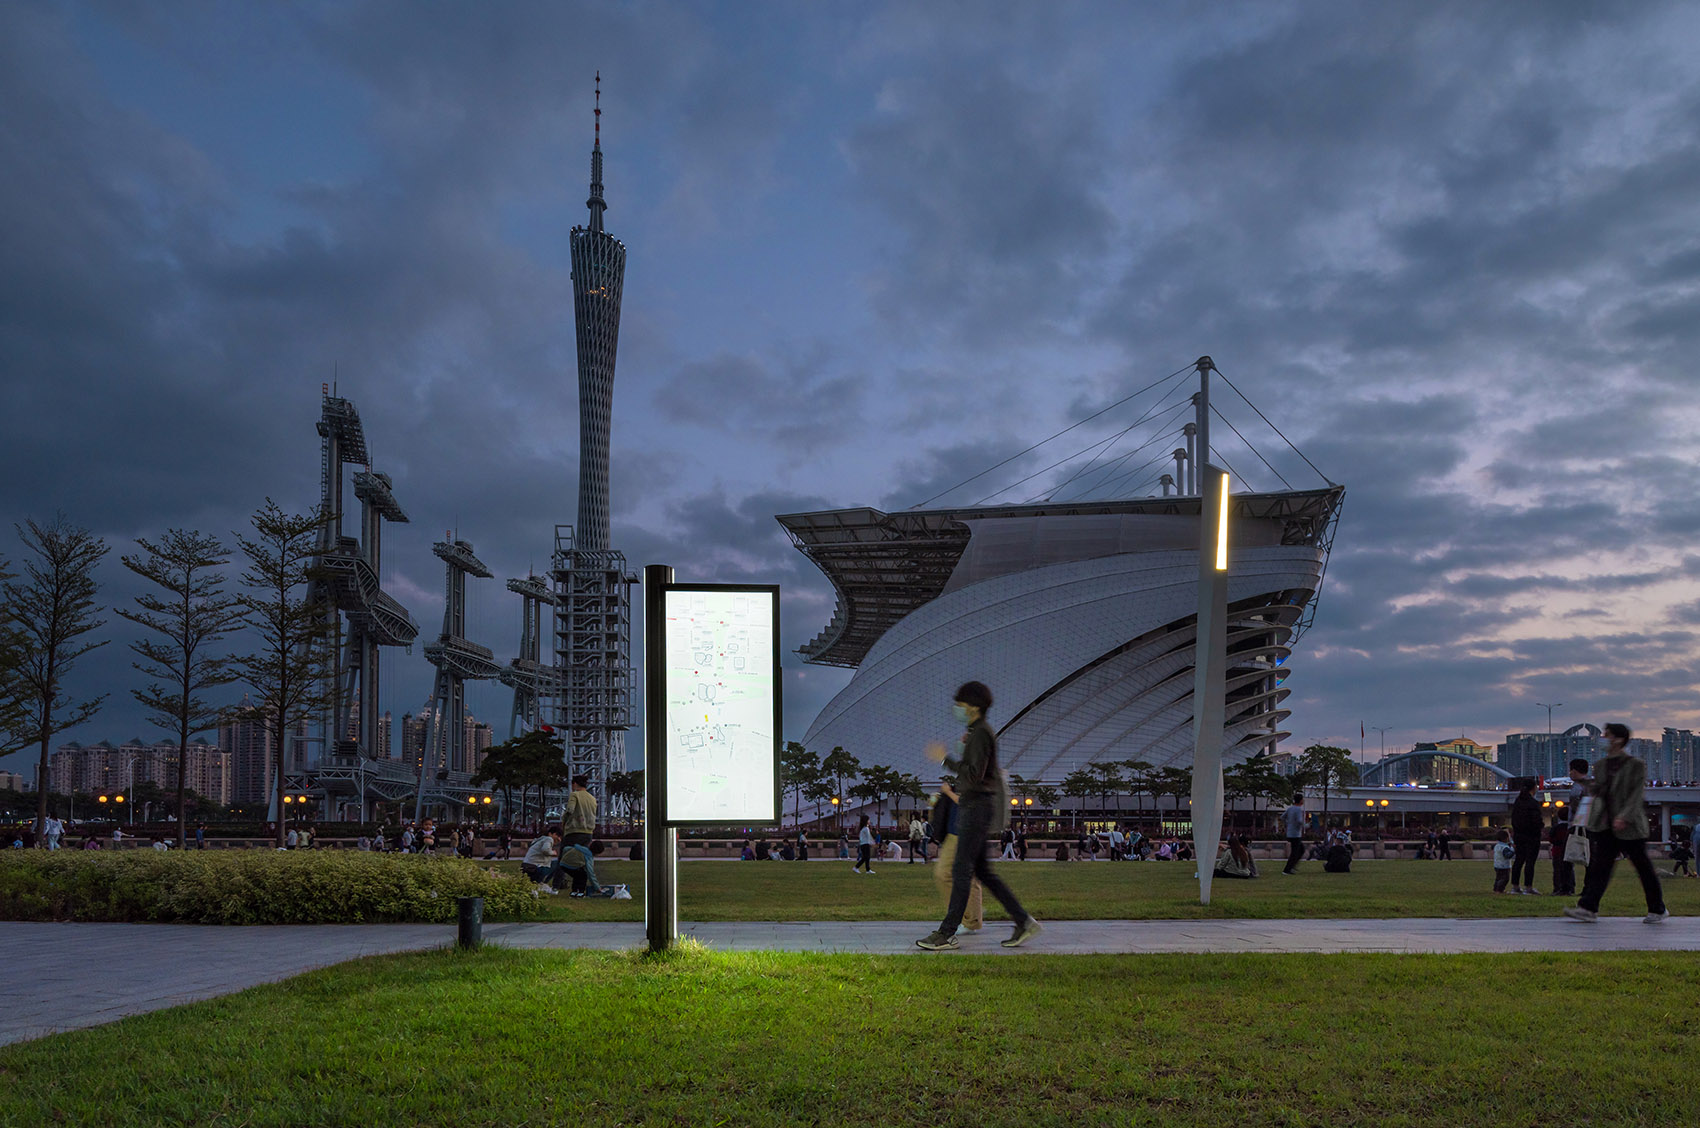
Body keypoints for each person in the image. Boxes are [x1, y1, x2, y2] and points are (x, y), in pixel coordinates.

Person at [916, 681, 1040, 950]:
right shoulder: (976, 732)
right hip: (976, 807)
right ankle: (1023, 921)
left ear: (973, 706)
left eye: (960, 703)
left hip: (975, 808)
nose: (957, 708)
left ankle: (946, 933)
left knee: (961, 871)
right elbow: (976, 768)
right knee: (983, 872)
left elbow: (973, 775)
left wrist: (945, 759)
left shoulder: (982, 732)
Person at [1566, 723, 1669, 924]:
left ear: (1620, 739)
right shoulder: (1602, 765)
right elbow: (1600, 789)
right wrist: (1583, 780)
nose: (1604, 738)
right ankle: (1587, 908)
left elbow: (1635, 794)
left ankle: (1658, 909)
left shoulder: (1635, 765)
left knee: (1643, 868)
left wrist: (1624, 817)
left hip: (1629, 826)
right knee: (1600, 868)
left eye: (1608, 735)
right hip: (1606, 824)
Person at [930, 781, 983, 934]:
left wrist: (948, 792)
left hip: (965, 833)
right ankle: (968, 916)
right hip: (954, 832)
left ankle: (967, 919)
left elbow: (968, 803)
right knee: (952, 875)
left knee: (960, 876)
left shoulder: (978, 775)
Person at [1510, 780, 1544, 895]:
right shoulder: (1533, 803)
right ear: (1533, 788)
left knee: (1518, 861)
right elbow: (1536, 821)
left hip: (1519, 836)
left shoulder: (1518, 801)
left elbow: (1514, 819)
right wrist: (1540, 827)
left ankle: (1515, 887)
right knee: (1530, 862)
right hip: (1532, 836)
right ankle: (1528, 887)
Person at [1549, 817, 1574, 896]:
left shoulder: (1556, 827)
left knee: (1557, 870)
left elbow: (1551, 838)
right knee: (1570, 870)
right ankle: (1571, 887)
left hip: (1557, 851)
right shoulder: (1571, 827)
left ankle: (1557, 887)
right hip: (1569, 850)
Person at [1281, 793, 1305, 875]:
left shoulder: (1290, 808)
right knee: (1295, 852)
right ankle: (1287, 869)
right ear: (1300, 800)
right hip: (1296, 834)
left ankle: (1291, 867)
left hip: (1290, 833)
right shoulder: (1298, 809)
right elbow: (1299, 821)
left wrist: (1288, 824)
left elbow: (1282, 817)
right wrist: (1305, 825)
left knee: (1301, 849)